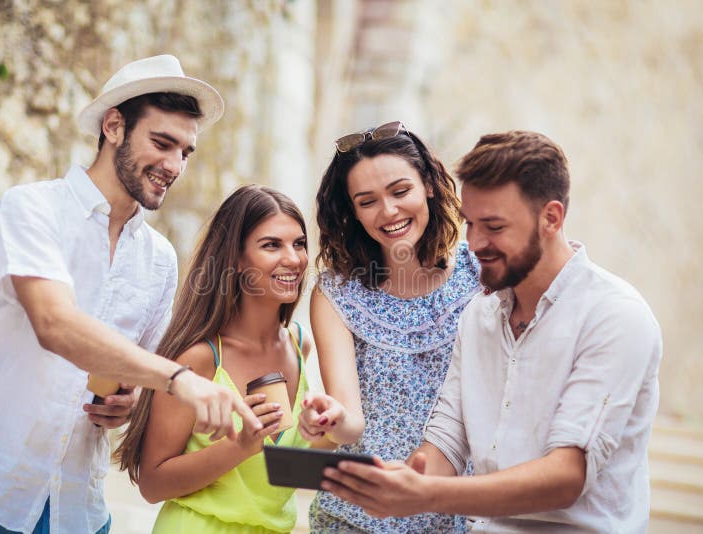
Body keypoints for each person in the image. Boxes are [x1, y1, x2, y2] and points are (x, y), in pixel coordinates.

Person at [0, 55, 259, 534]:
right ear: (114, 126)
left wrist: (128, 403)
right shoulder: (31, 208)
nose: (174, 166)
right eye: (162, 143)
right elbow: (55, 324)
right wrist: (179, 379)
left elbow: (135, 376)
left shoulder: (160, 259)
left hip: (78, 511)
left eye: (186, 152)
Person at [321, 130, 663, 533]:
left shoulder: (614, 316)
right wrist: (396, 482)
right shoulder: (479, 314)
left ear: (551, 218)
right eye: (470, 224)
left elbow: (567, 476)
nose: (476, 243)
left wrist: (423, 494)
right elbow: (447, 442)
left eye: (494, 227)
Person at [298, 121, 480, 532]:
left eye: (401, 191)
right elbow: (351, 422)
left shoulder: (481, 275)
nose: (389, 211)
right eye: (367, 201)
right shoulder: (336, 293)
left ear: (429, 185)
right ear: (352, 211)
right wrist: (328, 417)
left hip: (459, 517)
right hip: (357, 518)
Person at [116, 184, 314, 533]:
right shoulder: (198, 360)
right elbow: (152, 483)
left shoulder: (299, 344)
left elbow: (271, 474)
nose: (294, 258)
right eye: (272, 245)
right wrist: (239, 447)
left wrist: (328, 437)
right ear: (235, 260)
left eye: (299, 243)